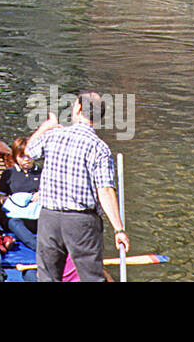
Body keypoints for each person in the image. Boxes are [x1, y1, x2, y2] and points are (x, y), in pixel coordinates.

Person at [24, 91, 129, 282]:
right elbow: (105, 190)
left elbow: (29, 151)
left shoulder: (53, 135)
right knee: (90, 277)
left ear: (79, 108)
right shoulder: (99, 147)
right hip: (81, 223)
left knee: (48, 277)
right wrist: (118, 229)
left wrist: (45, 127)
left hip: (50, 218)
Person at [0, 137, 41, 251]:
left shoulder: (42, 172)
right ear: (15, 157)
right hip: (18, 216)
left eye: (29, 156)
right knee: (13, 222)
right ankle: (38, 248)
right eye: (22, 156)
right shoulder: (9, 174)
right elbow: (1, 196)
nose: (26, 159)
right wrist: (16, 199)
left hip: (37, 215)